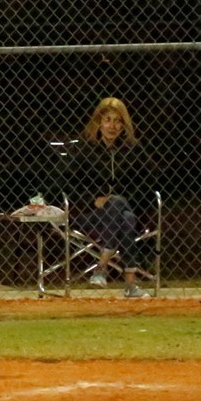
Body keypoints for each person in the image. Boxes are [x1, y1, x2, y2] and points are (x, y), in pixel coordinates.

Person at [69, 97, 153, 297]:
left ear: (124, 125)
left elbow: (147, 185)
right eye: (108, 120)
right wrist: (91, 199)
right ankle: (130, 286)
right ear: (98, 122)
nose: (112, 126)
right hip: (90, 215)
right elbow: (64, 184)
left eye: (118, 121)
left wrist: (121, 200)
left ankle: (101, 268)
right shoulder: (83, 149)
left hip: (126, 212)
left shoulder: (134, 151)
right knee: (125, 217)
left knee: (123, 211)